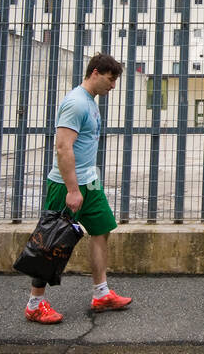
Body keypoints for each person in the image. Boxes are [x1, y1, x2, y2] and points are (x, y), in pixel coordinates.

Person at [24, 53, 132, 324]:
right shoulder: (75, 102)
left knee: (102, 229)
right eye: (111, 79)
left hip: (90, 182)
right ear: (95, 73)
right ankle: (35, 304)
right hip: (66, 184)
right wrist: (73, 189)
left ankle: (101, 293)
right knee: (51, 242)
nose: (113, 85)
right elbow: (63, 147)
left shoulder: (90, 102)